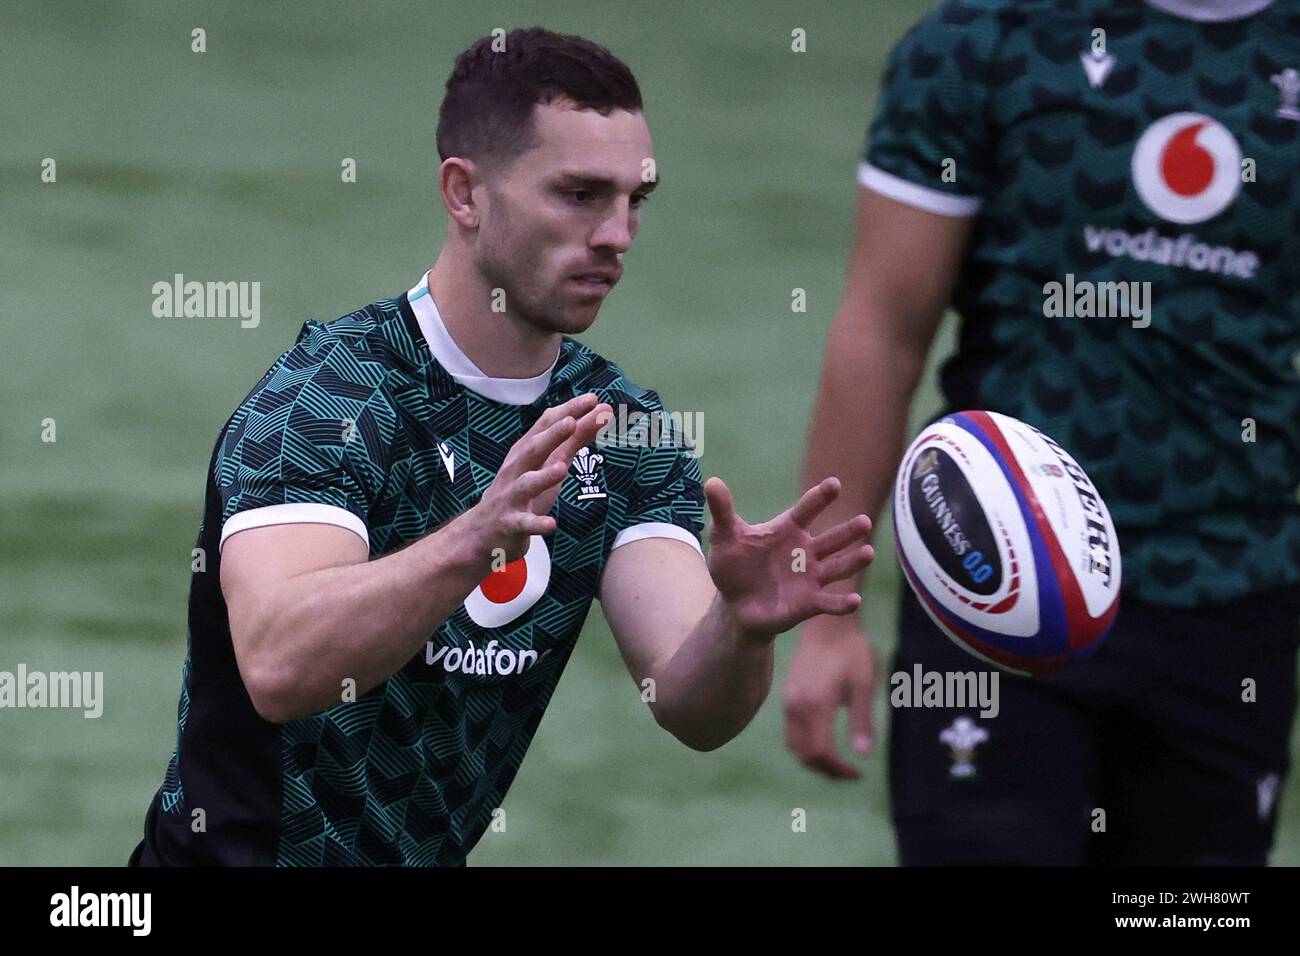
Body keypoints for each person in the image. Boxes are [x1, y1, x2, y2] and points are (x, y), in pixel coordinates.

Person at [130, 27, 874, 866]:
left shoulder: (621, 430)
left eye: (637, 199)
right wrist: (475, 540)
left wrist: (741, 630)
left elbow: (692, 706)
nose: (617, 234)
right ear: (464, 194)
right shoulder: (328, 397)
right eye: (580, 194)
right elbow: (278, 664)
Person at [784, 0, 1300, 865]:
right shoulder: (984, 38)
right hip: (988, 584)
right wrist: (827, 617)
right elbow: (884, 326)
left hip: (1233, 594)